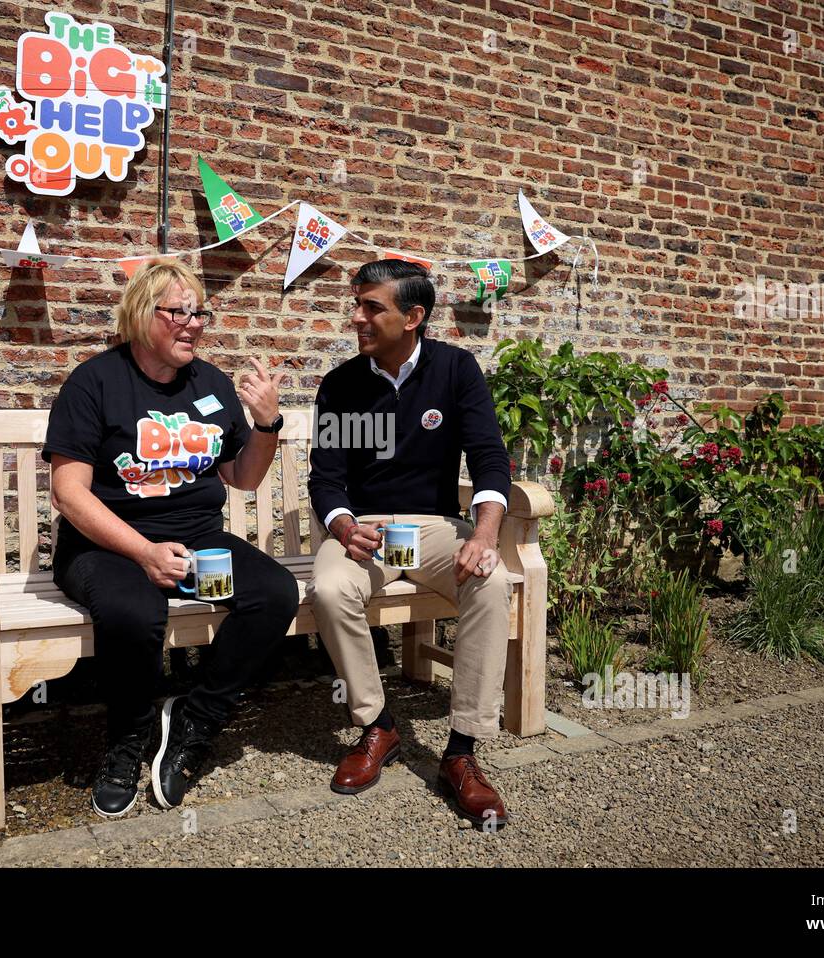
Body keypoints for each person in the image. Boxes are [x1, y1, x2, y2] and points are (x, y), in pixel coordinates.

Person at [42, 260, 298, 818]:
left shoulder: (210, 384)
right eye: (178, 312)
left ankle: (192, 722)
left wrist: (267, 424)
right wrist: (141, 551)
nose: (193, 323)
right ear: (141, 314)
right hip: (106, 548)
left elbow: (243, 478)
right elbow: (69, 492)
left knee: (276, 593)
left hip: (197, 542)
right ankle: (127, 741)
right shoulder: (95, 382)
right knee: (136, 613)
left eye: (199, 311)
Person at [307, 259, 515, 827]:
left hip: (432, 526)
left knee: (491, 580)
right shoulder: (342, 384)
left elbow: (491, 459)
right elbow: (325, 478)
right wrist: (345, 526)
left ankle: (462, 750)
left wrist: (487, 533)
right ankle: (379, 726)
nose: (358, 318)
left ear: (413, 316)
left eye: (372, 307)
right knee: (328, 588)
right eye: (357, 304)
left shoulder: (455, 371)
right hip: (365, 530)